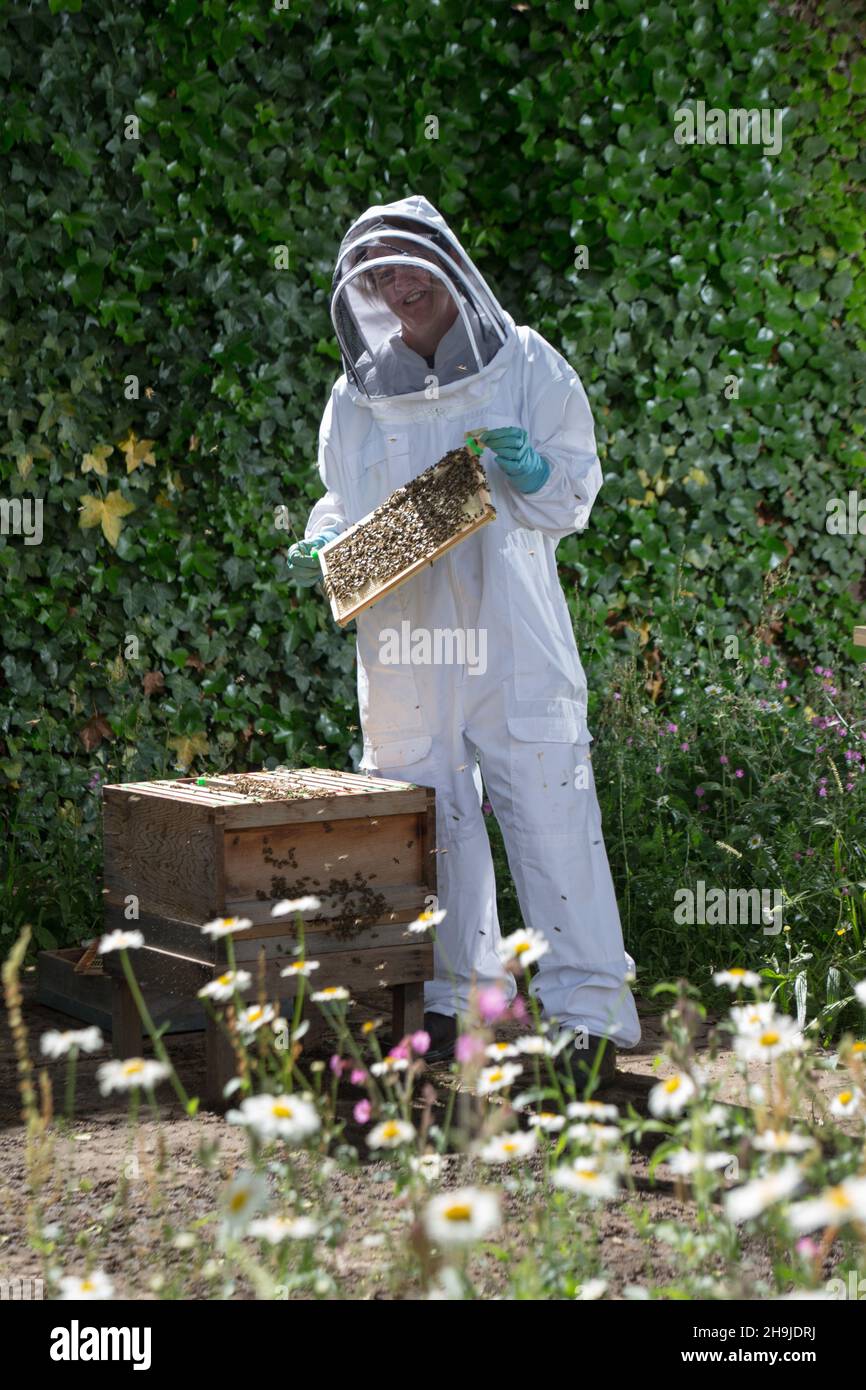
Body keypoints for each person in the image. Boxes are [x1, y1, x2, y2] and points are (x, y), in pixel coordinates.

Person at [287, 194, 641, 1078]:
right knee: (425, 823)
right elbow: (341, 495)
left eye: (407, 268)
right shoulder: (356, 394)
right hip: (403, 645)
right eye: (375, 276)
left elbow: (574, 491)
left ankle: (587, 1017)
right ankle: (453, 1004)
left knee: (554, 815)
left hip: (511, 636)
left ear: (448, 266)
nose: (394, 287)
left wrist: (532, 470)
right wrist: (326, 539)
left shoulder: (525, 363)